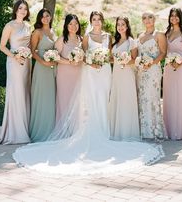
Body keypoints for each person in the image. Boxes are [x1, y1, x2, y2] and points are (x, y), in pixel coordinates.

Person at [13, 12, 164, 175]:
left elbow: (110, 57)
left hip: (105, 72)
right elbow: (83, 57)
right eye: (94, 19)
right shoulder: (86, 37)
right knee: (92, 100)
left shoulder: (108, 37)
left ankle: (107, 131)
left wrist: (107, 61)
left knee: (105, 100)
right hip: (91, 72)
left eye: (99, 19)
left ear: (103, 21)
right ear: (91, 22)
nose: (97, 22)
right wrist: (92, 63)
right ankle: (93, 129)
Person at [0, 0, 31, 144]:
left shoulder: (28, 26)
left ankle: (25, 128)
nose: (23, 11)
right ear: (16, 10)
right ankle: (15, 132)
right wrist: (15, 56)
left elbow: (30, 45)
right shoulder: (9, 25)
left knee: (25, 93)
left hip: (26, 63)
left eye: (25, 9)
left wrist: (26, 54)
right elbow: (2, 46)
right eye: (20, 8)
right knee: (16, 93)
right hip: (14, 63)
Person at [163, 8, 182, 140]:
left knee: (181, 96)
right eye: (172, 16)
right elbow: (164, 52)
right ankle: (169, 131)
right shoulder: (167, 34)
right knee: (170, 97)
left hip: (181, 69)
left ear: (180, 18)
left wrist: (179, 63)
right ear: (169, 18)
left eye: (176, 16)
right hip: (169, 69)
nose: (174, 18)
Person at [136, 11, 166, 140]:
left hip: (153, 70)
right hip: (141, 71)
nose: (147, 20)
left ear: (154, 19)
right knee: (142, 97)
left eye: (150, 17)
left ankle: (154, 129)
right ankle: (143, 129)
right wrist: (140, 63)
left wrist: (151, 63)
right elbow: (138, 54)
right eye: (144, 18)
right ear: (142, 21)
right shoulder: (140, 35)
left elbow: (163, 53)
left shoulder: (159, 34)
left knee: (152, 97)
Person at [109, 16, 140, 141]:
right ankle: (117, 131)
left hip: (127, 74)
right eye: (118, 25)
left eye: (123, 24)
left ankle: (128, 132)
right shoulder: (115, 43)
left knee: (126, 100)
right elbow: (112, 59)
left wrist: (125, 60)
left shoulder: (131, 41)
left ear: (127, 26)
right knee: (117, 99)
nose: (120, 27)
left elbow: (134, 60)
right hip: (116, 74)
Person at [29, 8, 57, 142]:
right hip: (41, 69)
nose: (45, 18)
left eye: (47, 16)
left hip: (52, 70)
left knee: (50, 98)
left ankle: (50, 130)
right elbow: (32, 51)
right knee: (41, 98)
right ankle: (39, 131)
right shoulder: (37, 32)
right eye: (43, 16)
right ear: (40, 19)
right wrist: (42, 62)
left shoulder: (53, 32)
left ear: (50, 17)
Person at [53, 14, 83, 137]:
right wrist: (68, 62)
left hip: (78, 74)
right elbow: (55, 56)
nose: (73, 26)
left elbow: (84, 56)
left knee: (77, 102)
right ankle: (64, 130)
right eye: (70, 23)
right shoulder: (62, 39)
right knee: (64, 100)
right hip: (64, 74)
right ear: (66, 25)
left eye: (76, 23)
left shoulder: (81, 39)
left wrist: (79, 60)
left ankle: (76, 129)